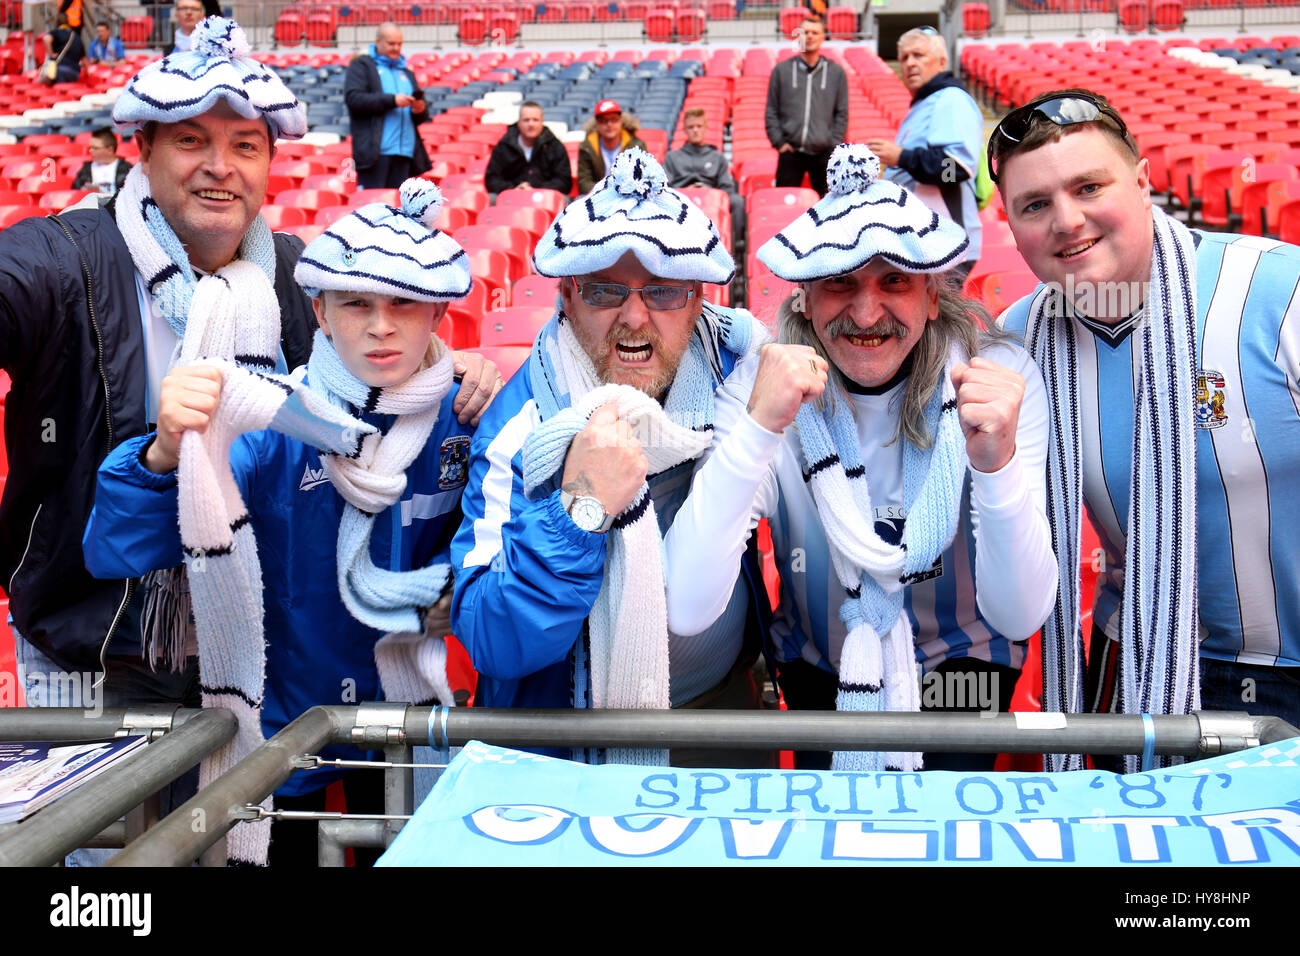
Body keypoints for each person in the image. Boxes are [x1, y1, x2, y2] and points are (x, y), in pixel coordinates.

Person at [0, 18, 494, 844]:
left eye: (245, 144)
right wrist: (162, 452)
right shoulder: (63, 259)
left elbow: (382, 355)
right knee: (100, 866)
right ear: (142, 151)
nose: (220, 167)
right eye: (191, 139)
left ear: (272, 161)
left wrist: (456, 365)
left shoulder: (302, 280)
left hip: (255, 659)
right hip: (96, 647)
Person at [84, 178, 483, 867]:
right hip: (283, 737)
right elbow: (115, 550)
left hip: (415, 724)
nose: (381, 325)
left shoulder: (473, 416)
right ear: (320, 312)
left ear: (441, 314)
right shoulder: (269, 419)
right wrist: (163, 452)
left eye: (405, 305)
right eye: (355, 304)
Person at [664, 145, 1056, 772]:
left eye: (894, 280)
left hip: (966, 667)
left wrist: (996, 466)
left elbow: (1020, 610)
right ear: (804, 300)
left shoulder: (995, 375)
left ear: (932, 297)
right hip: (823, 665)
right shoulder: (762, 388)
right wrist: (759, 430)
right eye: (840, 282)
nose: (867, 312)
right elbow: (684, 603)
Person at [992, 89, 1300, 770]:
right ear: (1011, 226)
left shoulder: (1277, 292)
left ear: (1143, 180)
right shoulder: (1016, 340)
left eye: (1089, 185)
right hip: (1133, 661)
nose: (1066, 221)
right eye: (1035, 205)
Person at [451, 149, 775, 768]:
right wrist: (581, 511)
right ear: (567, 295)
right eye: (605, 290)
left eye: (663, 290)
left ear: (699, 297)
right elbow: (490, 636)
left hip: (723, 714)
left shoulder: (745, 382)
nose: (634, 315)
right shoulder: (519, 423)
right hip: (567, 741)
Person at [866, 28, 984, 281]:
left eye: (918, 55)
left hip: (945, 243)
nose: (909, 63)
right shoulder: (924, 103)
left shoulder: (951, 99)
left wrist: (902, 158)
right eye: (904, 57)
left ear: (941, 61)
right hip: (923, 242)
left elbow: (956, 171)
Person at [764, 14, 848, 197]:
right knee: (784, 204)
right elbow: (771, 110)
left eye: (815, 33)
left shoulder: (836, 73)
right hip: (790, 152)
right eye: (805, 32)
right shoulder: (781, 71)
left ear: (822, 37)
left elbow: (841, 113)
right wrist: (779, 142)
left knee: (830, 206)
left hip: (824, 153)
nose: (809, 36)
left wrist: (833, 144)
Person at [344, 23, 431, 191]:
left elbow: (419, 116)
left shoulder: (407, 73)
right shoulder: (362, 66)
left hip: (405, 153)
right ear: (378, 42)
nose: (396, 48)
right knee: (372, 209)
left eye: (399, 44)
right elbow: (354, 99)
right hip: (375, 153)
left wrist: (419, 110)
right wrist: (392, 100)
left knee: (397, 211)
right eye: (391, 43)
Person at [663, 107, 745, 250]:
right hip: (682, 199)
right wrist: (685, 192)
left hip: (711, 197)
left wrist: (709, 192)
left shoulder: (718, 158)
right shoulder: (672, 157)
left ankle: (735, 247)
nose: (695, 130)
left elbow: (727, 188)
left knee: (737, 201)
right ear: (684, 130)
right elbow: (664, 188)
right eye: (691, 127)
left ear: (706, 128)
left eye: (699, 126)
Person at [483, 101, 572, 198]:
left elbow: (564, 180)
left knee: (564, 200)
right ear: (519, 122)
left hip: (544, 198)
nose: (531, 124)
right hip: (511, 197)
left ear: (542, 122)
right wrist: (514, 189)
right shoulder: (504, 146)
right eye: (526, 120)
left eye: (535, 120)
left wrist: (536, 190)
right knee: (490, 199)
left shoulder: (555, 146)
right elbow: (492, 179)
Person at [576, 99, 648, 195]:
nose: (609, 125)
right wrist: (604, 193)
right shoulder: (586, 147)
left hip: (628, 195)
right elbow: (584, 181)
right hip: (597, 196)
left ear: (621, 122)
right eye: (604, 121)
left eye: (614, 120)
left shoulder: (637, 146)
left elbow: (643, 176)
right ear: (596, 124)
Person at [72, 127, 132, 197]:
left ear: (110, 150)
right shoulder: (85, 170)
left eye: (95, 148)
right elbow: (76, 189)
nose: (90, 151)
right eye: (90, 148)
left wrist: (102, 190)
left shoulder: (126, 169)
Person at [41, 13, 84, 85]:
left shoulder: (56, 32)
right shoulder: (76, 36)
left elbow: (46, 38)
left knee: (58, 92)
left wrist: (51, 54)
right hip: (74, 73)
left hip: (60, 70)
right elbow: (84, 59)